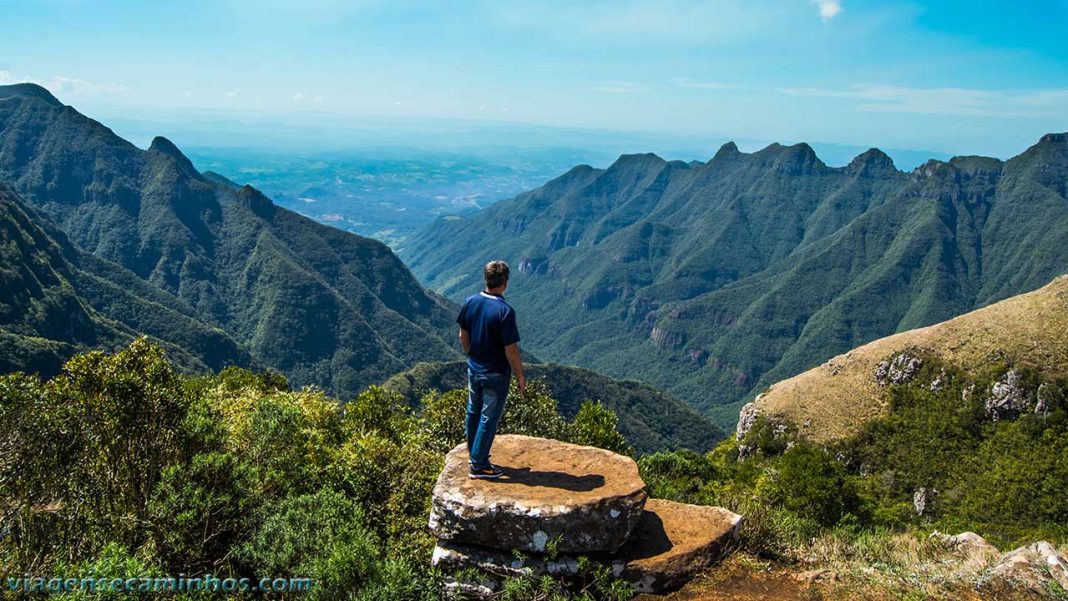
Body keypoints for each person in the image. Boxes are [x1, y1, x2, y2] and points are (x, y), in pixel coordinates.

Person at [456, 260, 526, 479]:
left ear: (486, 279)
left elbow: (462, 335)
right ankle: (479, 465)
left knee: (473, 410)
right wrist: (520, 376)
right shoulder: (505, 312)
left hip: (474, 368)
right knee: (489, 417)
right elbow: (511, 350)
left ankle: (474, 452)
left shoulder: (470, 302)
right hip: (495, 373)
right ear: (504, 283)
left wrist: (472, 354)